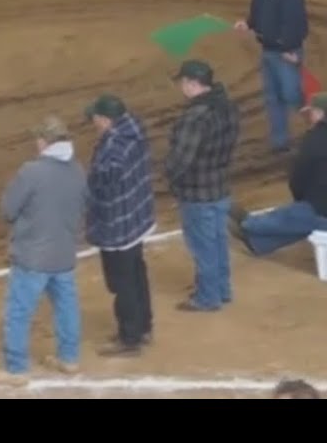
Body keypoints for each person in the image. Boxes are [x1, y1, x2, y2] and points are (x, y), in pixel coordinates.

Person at [0, 115, 87, 387]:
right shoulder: (78, 170)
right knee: (66, 306)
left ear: (44, 142)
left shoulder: (31, 171)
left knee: (19, 311)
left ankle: (17, 369)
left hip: (32, 255)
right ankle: (69, 358)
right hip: (64, 253)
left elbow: (8, 210)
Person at [164, 60, 241, 312]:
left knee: (203, 246)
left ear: (192, 83)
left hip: (197, 192)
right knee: (218, 241)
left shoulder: (195, 117)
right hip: (219, 185)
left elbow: (181, 160)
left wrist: (171, 179)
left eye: (183, 82)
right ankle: (221, 288)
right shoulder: (227, 107)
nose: (181, 87)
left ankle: (208, 297)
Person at [83, 95, 156, 358]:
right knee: (137, 273)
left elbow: (102, 182)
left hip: (118, 224)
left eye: (96, 119)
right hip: (137, 217)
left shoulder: (114, 148)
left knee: (122, 283)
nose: (94, 124)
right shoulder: (133, 130)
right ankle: (143, 325)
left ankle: (130, 337)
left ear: (105, 119)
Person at [234, 0, 309, 153]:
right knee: (273, 97)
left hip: (286, 53)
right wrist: (247, 24)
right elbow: (256, 13)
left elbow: (297, 21)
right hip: (268, 50)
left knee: (293, 96)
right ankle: (279, 142)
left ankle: (320, 130)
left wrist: (289, 48)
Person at [231, 92, 327, 256]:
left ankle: (250, 225)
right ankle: (256, 241)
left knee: (305, 214)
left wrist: (303, 200)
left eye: (313, 112)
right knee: (308, 215)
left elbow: (298, 178)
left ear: (320, 114)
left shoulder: (315, 138)